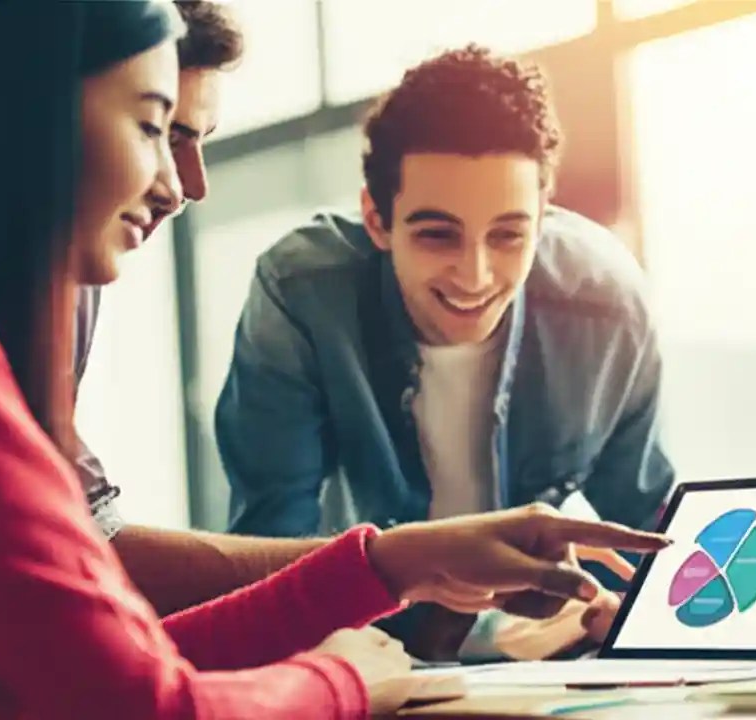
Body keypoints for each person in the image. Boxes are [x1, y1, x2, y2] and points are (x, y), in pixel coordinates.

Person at [0, 3, 670, 718]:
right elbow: (142, 701)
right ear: (19, 112)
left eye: (510, 233)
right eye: (153, 125)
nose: (179, 186)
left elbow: (125, 656)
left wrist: (393, 564)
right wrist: (339, 680)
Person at [215, 44, 674, 659]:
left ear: (544, 217)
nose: (475, 275)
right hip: (367, 637)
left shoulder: (607, 303)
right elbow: (272, 545)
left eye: (509, 235)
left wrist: (622, 617)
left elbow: (650, 532)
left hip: (542, 654)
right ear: (377, 220)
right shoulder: (302, 291)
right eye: (438, 235)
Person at [72, 0, 355, 619]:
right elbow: (85, 558)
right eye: (159, 132)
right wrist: (386, 568)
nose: (188, 187)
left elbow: (84, 540)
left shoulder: (71, 288)